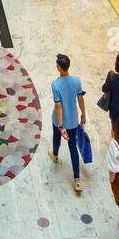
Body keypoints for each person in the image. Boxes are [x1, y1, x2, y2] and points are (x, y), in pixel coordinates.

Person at [48, 53, 87, 195]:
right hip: (73, 121)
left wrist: (60, 125)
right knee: (73, 148)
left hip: (60, 121)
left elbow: (58, 106)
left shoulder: (55, 84)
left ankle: (55, 155)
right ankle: (77, 179)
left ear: (59, 68)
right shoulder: (76, 81)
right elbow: (80, 99)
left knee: (56, 137)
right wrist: (83, 114)